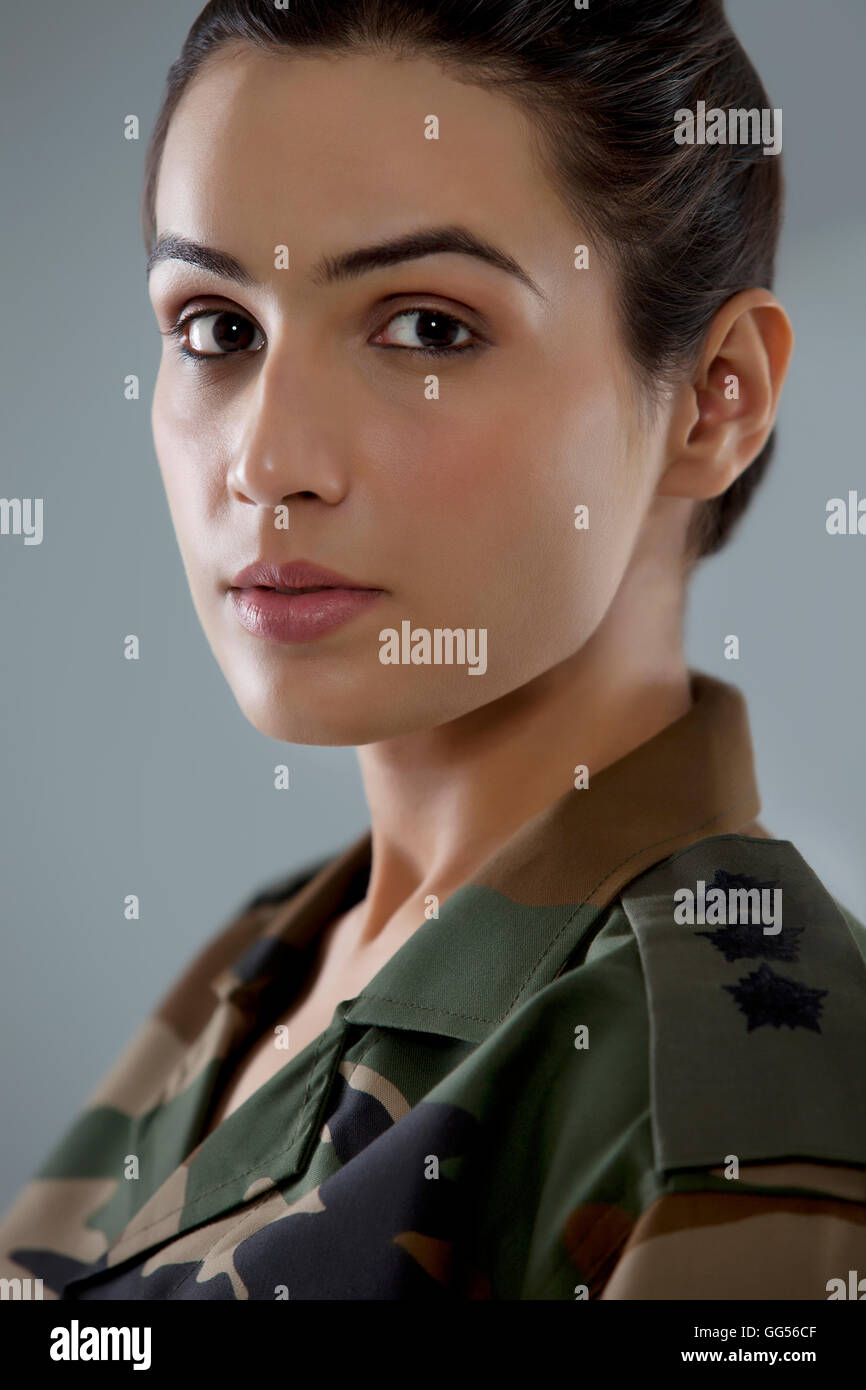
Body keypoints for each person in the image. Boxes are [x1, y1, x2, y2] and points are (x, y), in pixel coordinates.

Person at [2, 0, 864, 1301]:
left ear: (715, 393)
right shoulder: (275, 952)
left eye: (425, 328)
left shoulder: (732, 1075)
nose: (266, 464)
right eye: (216, 328)